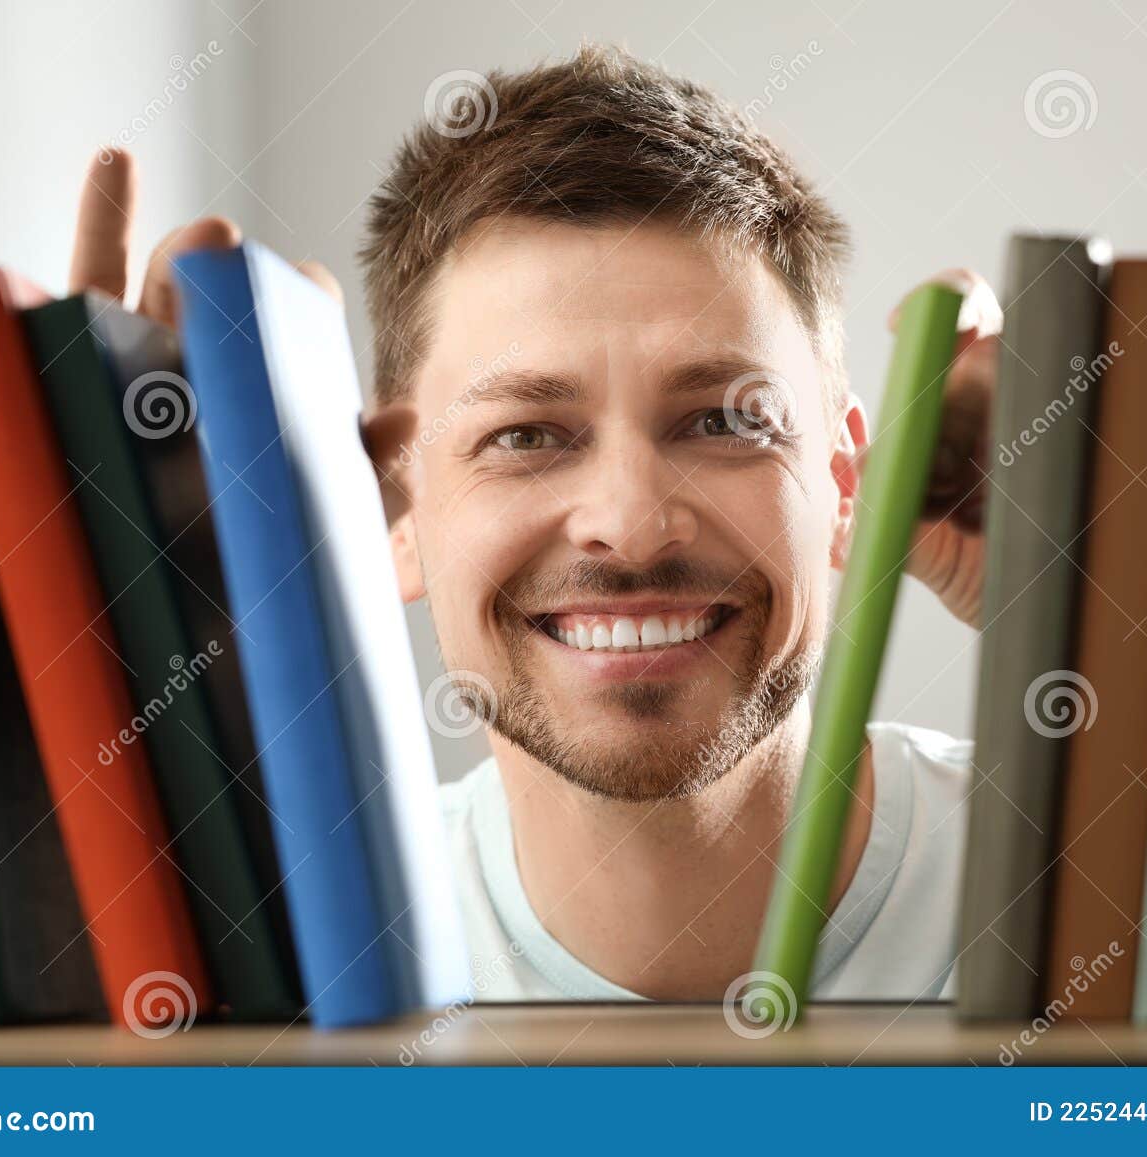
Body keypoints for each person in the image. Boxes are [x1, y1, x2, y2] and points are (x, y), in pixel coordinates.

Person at [66, 44, 997, 1002]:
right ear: (395, 517)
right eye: (524, 435)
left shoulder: (1073, 872)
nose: (632, 524)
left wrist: (1089, 618)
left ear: (846, 483)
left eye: (723, 421)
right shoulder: (264, 946)